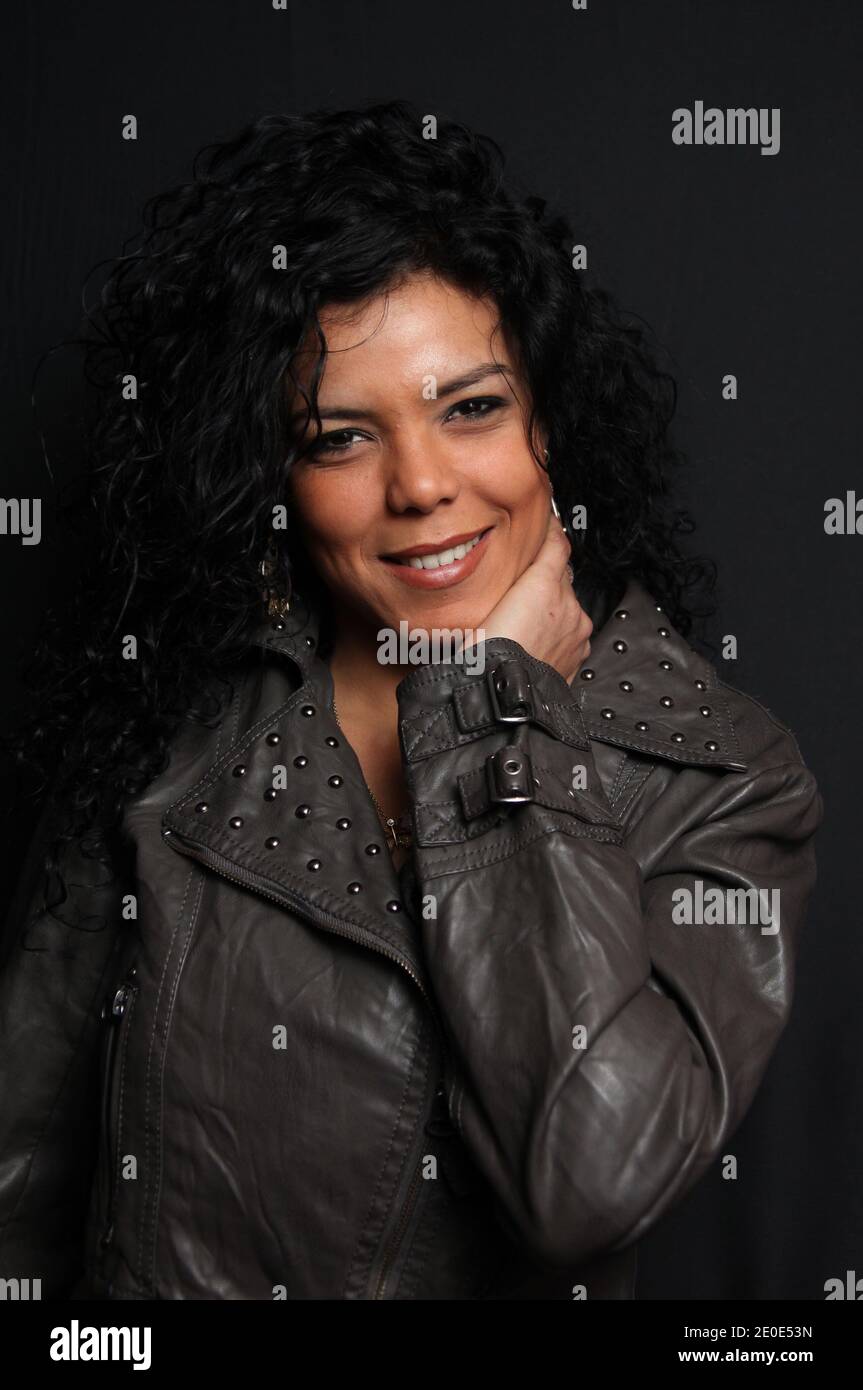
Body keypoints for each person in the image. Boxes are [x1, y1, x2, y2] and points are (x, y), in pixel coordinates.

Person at [0, 99, 822, 1301]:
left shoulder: (718, 773)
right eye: (340, 437)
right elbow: (18, 1175)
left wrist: (495, 701)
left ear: (550, 419)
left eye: (470, 406)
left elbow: (587, 1183)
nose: (424, 486)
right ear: (272, 476)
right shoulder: (177, 700)